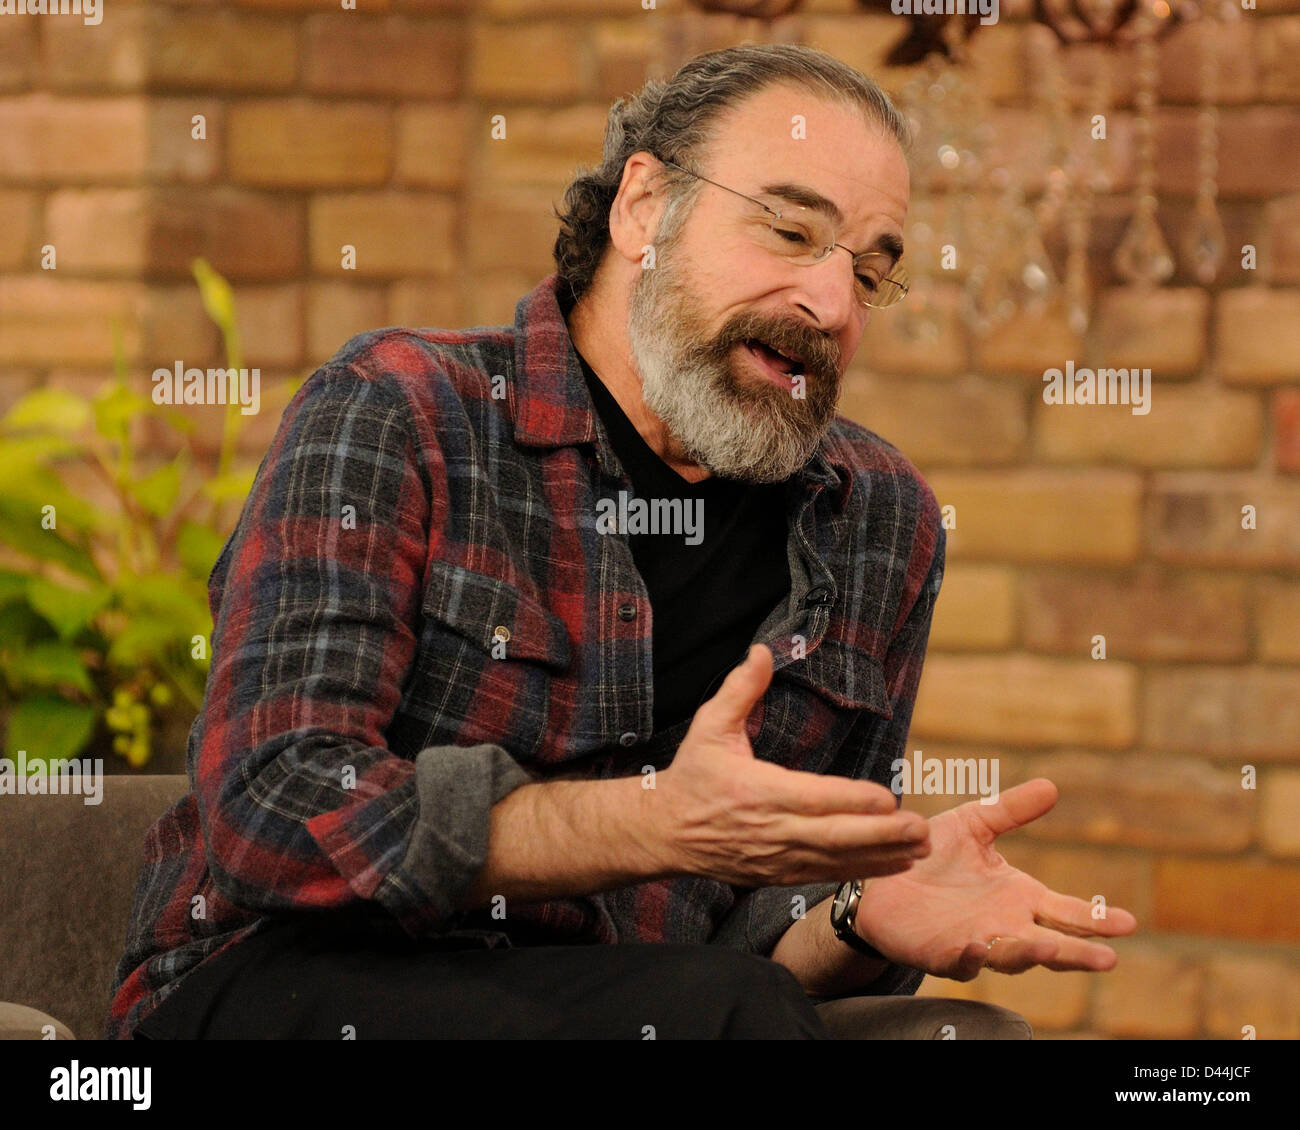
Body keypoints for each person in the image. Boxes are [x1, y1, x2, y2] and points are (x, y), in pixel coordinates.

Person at [106, 43, 1135, 1041]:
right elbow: (272, 808)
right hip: (274, 980)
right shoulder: (399, 410)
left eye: (869, 270)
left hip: (648, 1001)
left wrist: (857, 919)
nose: (830, 303)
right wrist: (646, 823)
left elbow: (748, 951)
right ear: (643, 205)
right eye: (787, 230)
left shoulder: (878, 520)